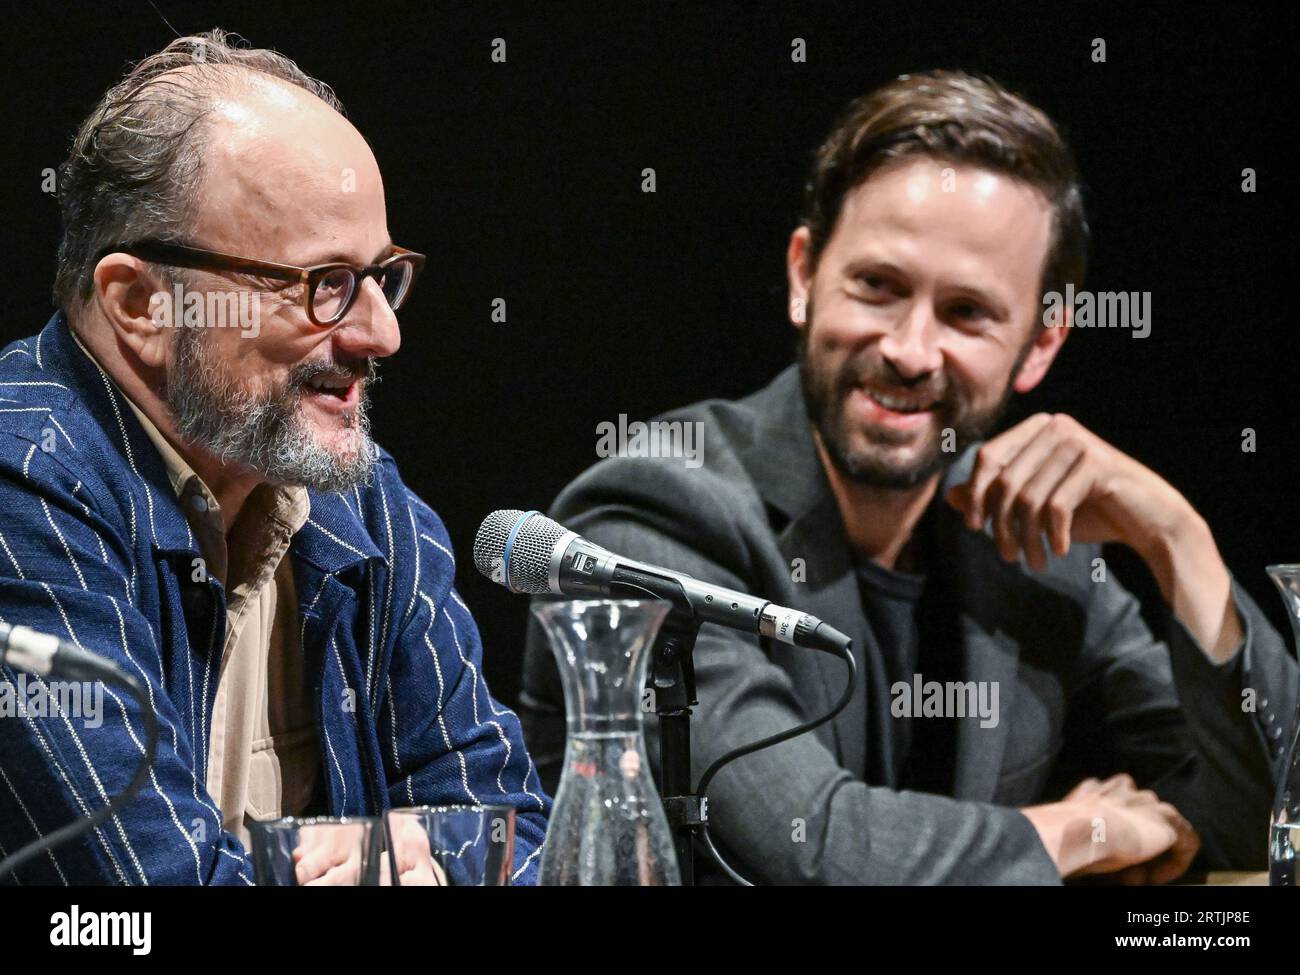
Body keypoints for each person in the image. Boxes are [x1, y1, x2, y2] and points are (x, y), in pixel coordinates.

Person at [520, 70, 1297, 884]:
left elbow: (1263, 826)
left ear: (1041, 343)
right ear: (804, 275)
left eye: (968, 312)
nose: (911, 348)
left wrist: (1176, 537)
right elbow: (803, 849)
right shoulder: (656, 509)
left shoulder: (1031, 536)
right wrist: (1077, 831)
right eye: (879, 287)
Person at [0, 30, 548, 885]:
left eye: (382, 276)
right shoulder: (21, 487)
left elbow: (515, 835)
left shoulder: (359, 497)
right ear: (141, 302)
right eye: (324, 283)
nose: (383, 333)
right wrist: (395, 860)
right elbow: (139, 897)